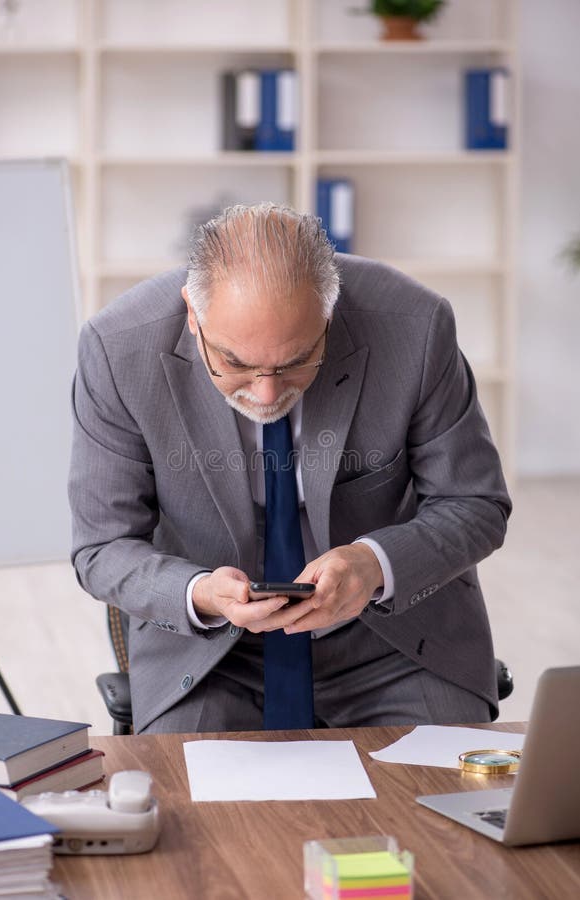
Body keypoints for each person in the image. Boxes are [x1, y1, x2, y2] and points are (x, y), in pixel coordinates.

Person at [68, 202, 511, 735]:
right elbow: (101, 547)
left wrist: (372, 565)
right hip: (212, 655)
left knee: (440, 808)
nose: (268, 392)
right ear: (193, 312)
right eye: (235, 362)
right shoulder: (117, 351)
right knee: (200, 812)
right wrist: (200, 593)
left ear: (331, 312)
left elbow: (475, 504)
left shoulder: (416, 327)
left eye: (297, 359)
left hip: (396, 642)